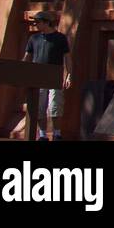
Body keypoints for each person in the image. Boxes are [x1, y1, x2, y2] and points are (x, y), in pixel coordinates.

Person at [23, 10, 71, 141]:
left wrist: (68, 75)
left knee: (55, 105)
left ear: (46, 22)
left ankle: (57, 134)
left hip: (55, 76)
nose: (35, 25)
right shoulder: (34, 38)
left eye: (37, 22)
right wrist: (21, 72)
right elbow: (27, 57)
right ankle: (43, 135)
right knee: (39, 106)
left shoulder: (60, 38)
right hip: (38, 76)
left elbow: (67, 57)